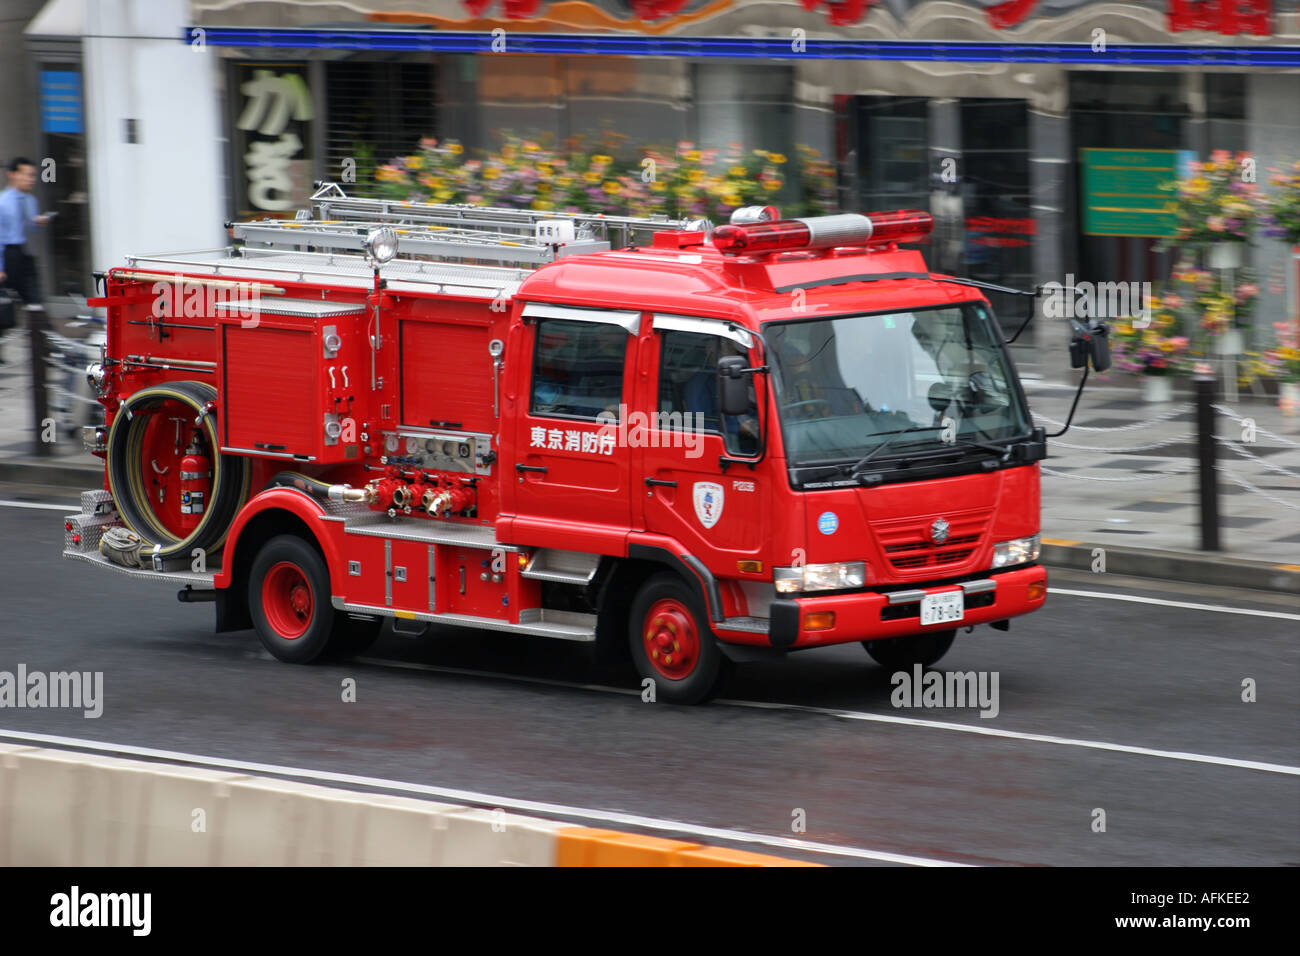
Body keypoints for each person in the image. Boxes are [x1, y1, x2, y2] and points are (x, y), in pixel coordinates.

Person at [0, 157, 53, 364]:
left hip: (25, 255)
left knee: (35, 301)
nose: (30, 179)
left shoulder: (31, 201)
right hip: (7, 255)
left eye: (32, 175)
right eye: (25, 174)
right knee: (4, 307)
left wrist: (39, 222)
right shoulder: (3, 202)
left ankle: (47, 349)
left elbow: (30, 227)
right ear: (12, 174)